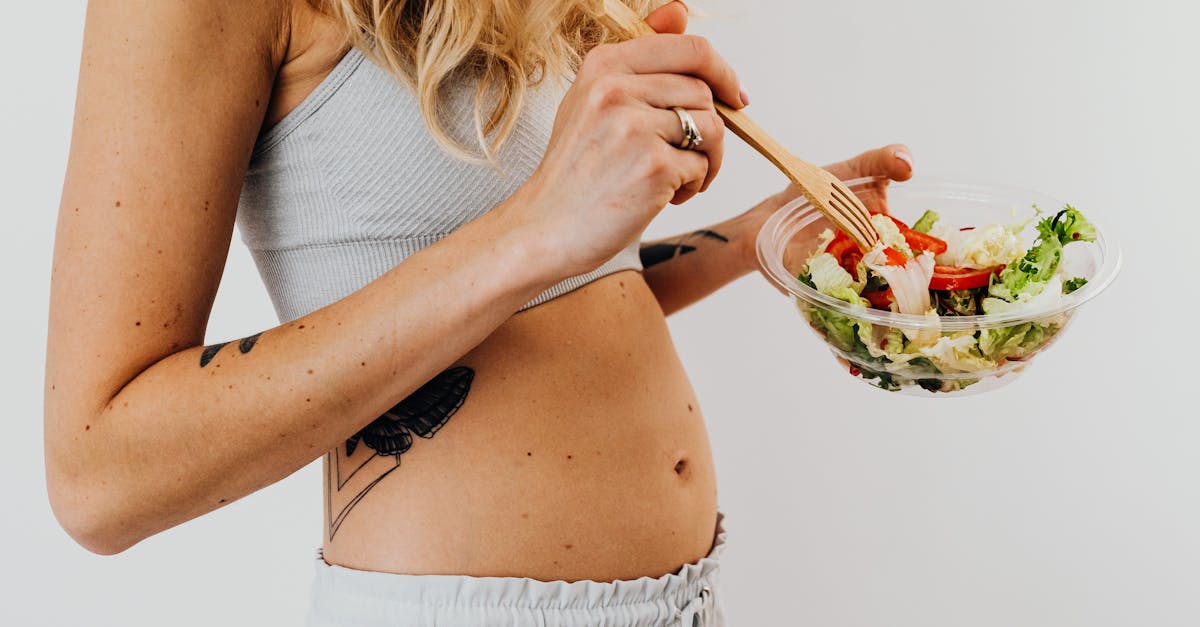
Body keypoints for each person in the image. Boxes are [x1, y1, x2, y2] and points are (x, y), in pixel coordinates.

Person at [44, 0, 912, 624]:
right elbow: (99, 472)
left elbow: (553, 288)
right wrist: (535, 224)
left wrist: (758, 237)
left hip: (690, 598)